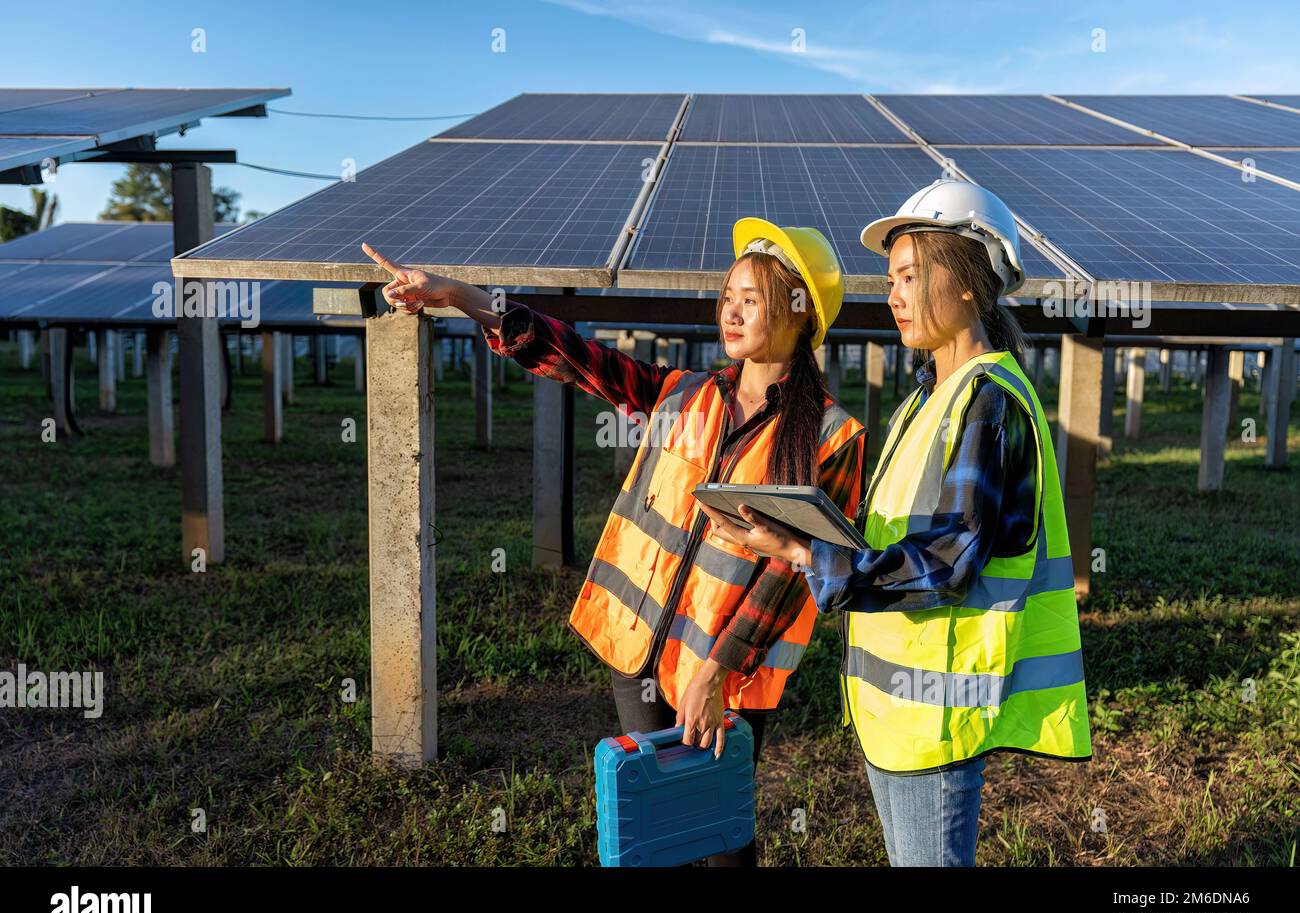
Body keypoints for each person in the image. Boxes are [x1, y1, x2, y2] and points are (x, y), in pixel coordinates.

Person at [361, 217, 866, 866]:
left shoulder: (830, 436)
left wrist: (715, 671)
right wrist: (459, 293)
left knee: (720, 834)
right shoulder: (682, 395)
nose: (732, 312)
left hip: (726, 675)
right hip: (638, 654)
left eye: (753, 298)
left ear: (800, 312)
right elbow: (575, 356)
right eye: (729, 296)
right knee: (659, 827)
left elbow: (789, 576)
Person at [699, 180, 1092, 867]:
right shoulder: (926, 400)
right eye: (891, 279)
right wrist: (802, 535)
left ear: (969, 281)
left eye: (910, 275)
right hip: (897, 712)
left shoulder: (987, 402)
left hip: (936, 718)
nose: (894, 294)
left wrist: (798, 549)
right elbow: (888, 537)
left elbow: (944, 559)